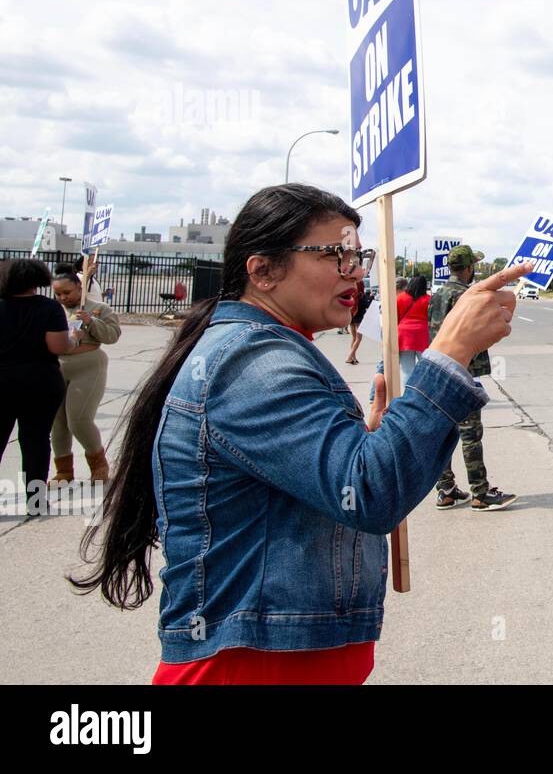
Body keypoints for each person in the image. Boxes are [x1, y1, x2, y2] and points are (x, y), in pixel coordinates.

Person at [69, 183, 528, 684]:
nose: (355, 270)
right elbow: (371, 493)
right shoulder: (253, 361)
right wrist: (450, 352)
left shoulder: (267, 347)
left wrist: (367, 441)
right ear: (263, 270)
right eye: (334, 254)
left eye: (358, 255)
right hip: (248, 667)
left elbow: (335, 480)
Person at [429, 245, 516, 511]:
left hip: (437, 369)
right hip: (463, 371)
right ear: (469, 268)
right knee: (470, 435)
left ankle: (445, 490)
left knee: (443, 433)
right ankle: (480, 493)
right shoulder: (468, 296)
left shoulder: (437, 294)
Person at [0, 258, 80, 515]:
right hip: (40, 380)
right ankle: (35, 502)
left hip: (2, 380)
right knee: (35, 440)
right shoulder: (49, 308)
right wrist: (74, 340)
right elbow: (57, 347)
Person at [50, 271, 122, 485]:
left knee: (79, 420)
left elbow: (112, 335)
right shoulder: (53, 311)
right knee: (57, 422)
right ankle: (63, 471)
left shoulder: (99, 308)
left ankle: (98, 465)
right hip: (57, 367)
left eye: (67, 292)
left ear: (80, 288)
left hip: (88, 365)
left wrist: (91, 322)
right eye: (58, 294)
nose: (63, 297)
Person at [395, 275, 430, 384]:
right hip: (423, 335)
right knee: (425, 368)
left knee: (407, 370)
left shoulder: (400, 297)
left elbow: (395, 317)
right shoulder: (428, 299)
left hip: (404, 335)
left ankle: (407, 395)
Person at [344, 285, 373, 364]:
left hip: (352, 319)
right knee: (358, 339)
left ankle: (353, 357)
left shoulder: (352, 296)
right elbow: (368, 305)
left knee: (354, 338)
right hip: (359, 320)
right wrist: (371, 297)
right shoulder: (361, 297)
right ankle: (349, 357)